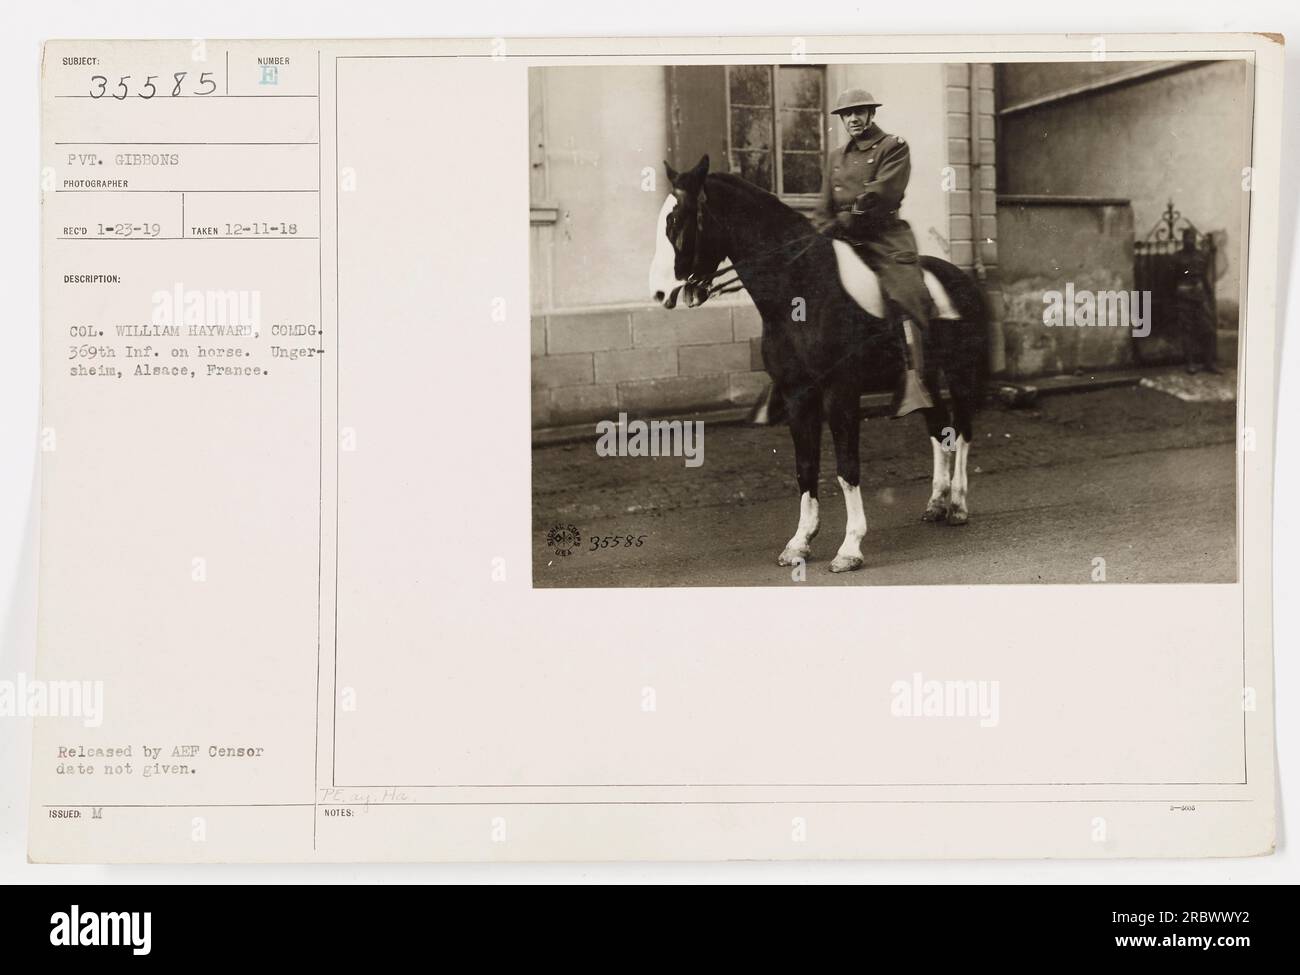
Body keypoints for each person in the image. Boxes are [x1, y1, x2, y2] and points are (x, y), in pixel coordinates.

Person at [812, 88, 935, 416]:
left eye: (860, 112)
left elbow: (880, 194)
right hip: (840, 235)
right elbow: (823, 204)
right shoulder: (835, 156)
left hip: (883, 237)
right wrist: (819, 233)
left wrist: (844, 221)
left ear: (871, 114)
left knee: (903, 291)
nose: (853, 119)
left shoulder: (893, 146)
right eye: (847, 114)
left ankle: (913, 377)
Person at [1169, 227, 1221, 375]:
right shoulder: (1176, 257)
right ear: (1183, 239)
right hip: (1184, 297)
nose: (1190, 240)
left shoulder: (1201, 256)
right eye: (1187, 238)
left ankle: (1209, 363)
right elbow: (1171, 279)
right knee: (1187, 331)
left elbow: (1204, 276)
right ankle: (1190, 363)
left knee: (1209, 329)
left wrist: (1209, 295)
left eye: (1192, 238)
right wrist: (1175, 296)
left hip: (1200, 296)